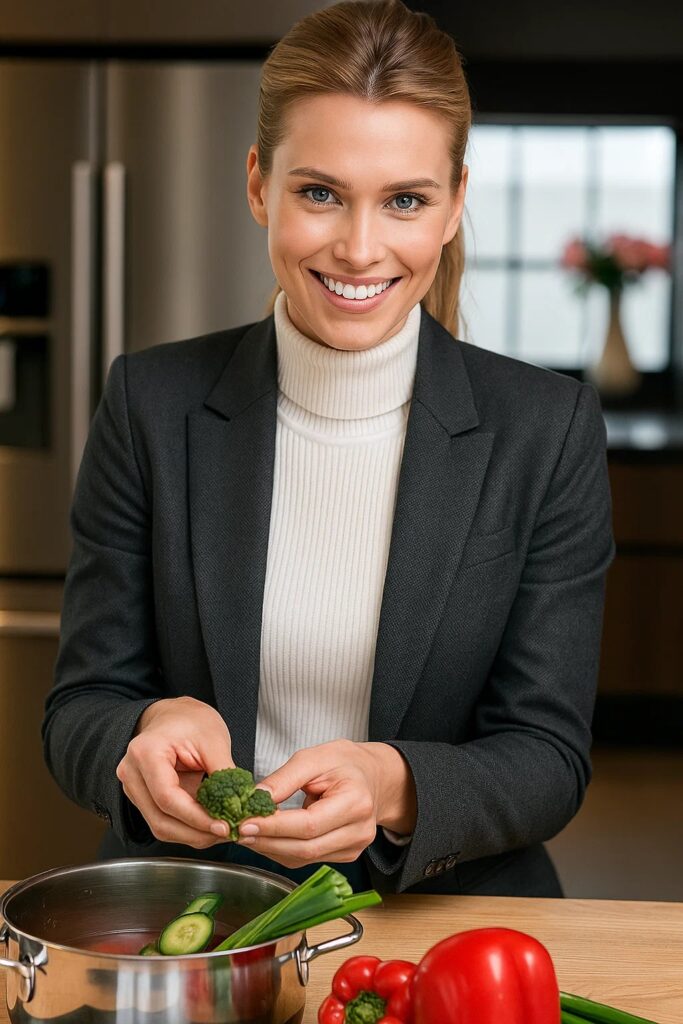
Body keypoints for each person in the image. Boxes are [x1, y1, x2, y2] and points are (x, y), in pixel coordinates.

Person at [43, 0, 615, 897]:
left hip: (447, 917)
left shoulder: (546, 429)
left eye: (404, 201)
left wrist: (394, 785)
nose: (358, 248)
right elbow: (78, 708)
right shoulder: (149, 402)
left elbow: (546, 755)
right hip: (199, 908)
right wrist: (146, 727)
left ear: (454, 203)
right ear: (258, 184)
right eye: (319, 192)